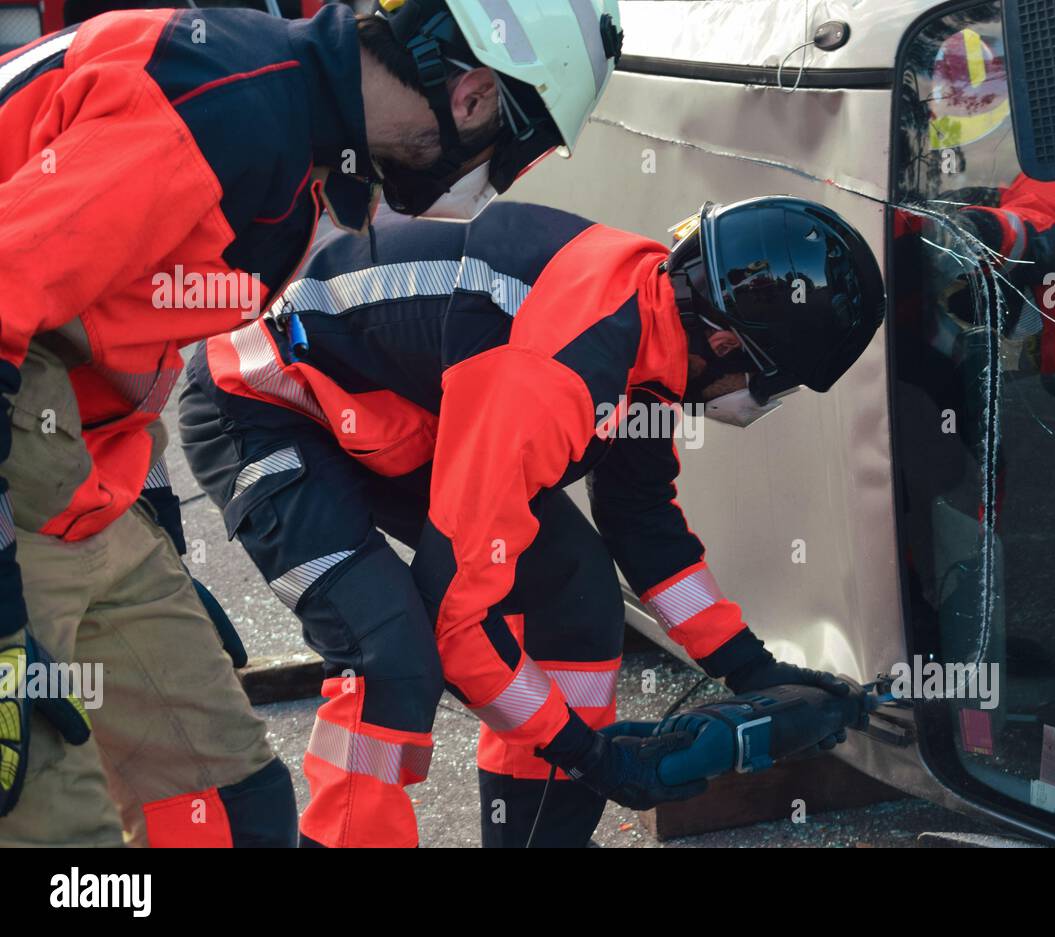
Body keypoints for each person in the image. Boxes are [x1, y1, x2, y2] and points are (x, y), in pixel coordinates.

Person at [0, 0, 621, 846]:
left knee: (231, 807)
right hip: (19, 478)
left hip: (67, 465)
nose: (490, 181)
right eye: (506, 153)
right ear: (472, 96)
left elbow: (109, 341)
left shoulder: (290, 148)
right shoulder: (226, 108)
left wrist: (154, 523)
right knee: (65, 842)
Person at [178, 195, 885, 847]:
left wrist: (753, 669)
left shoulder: (654, 321)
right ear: (730, 346)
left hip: (404, 419)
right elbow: (460, 622)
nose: (761, 400)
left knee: (576, 595)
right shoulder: (553, 375)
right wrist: (589, 754)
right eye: (773, 381)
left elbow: (643, 525)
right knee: (389, 653)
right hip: (267, 406)